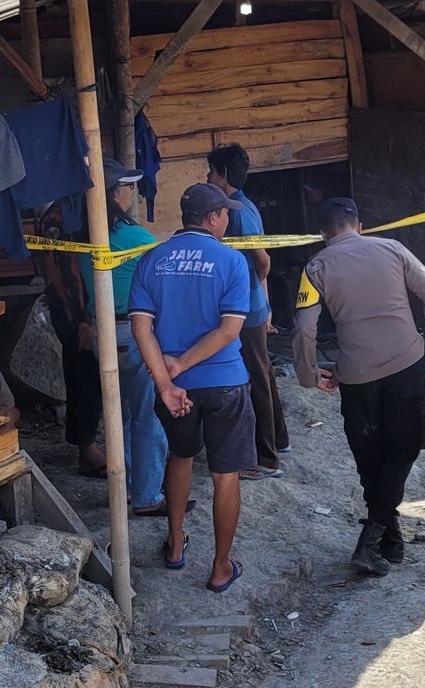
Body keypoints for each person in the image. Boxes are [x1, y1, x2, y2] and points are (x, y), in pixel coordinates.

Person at [292, 198, 425, 576]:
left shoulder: (315, 266)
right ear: (359, 225)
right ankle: (372, 538)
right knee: (404, 447)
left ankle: (389, 537)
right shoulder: (393, 249)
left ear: (323, 233)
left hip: (356, 375)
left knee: (370, 456)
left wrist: (308, 373)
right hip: (405, 363)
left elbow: (304, 327)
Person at [128, 183, 257, 593]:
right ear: (215, 217)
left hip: (175, 388)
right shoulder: (233, 262)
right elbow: (230, 329)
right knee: (226, 475)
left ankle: (174, 545)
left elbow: (140, 326)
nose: (227, 221)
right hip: (224, 382)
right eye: (225, 215)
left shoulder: (151, 259)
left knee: (180, 456)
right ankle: (220, 567)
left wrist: (167, 380)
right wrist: (182, 363)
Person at [79, 159, 187, 517]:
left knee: (119, 414)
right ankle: (147, 495)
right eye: (127, 187)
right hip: (131, 330)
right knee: (147, 415)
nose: (131, 193)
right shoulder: (134, 236)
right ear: (113, 193)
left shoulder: (86, 233)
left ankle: (124, 487)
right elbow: (167, 276)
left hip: (101, 330)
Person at [207, 144, 290, 481]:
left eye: (211, 171)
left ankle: (266, 459)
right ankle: (279, 441)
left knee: (256, 378)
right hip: (250, 304)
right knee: (263, 373)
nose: (208, 177)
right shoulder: (237, 206)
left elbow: (263, 258)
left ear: (224, 175)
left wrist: (260, 296)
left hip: (246, 307)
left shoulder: (239, 211)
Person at [38, 202, 105, 478]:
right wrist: (81, 320)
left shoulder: (75, 211)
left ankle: (86, 443)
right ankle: (87, 449)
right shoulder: (62, 216)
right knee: (85, 380)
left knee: (84, 379)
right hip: (74, 312)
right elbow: (63, 271)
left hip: (78, 309)